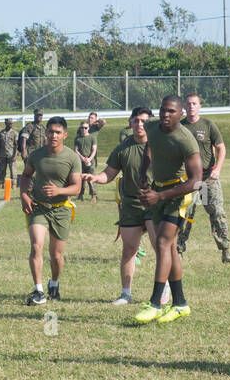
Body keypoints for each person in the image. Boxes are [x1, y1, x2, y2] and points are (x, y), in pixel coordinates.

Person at [133, 96, 202, 324]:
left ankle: (154, 303)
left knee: (162, 242)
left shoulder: (186, 140)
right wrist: (144, 173)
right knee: (170, 248)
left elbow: (195, 181)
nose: (165, 115)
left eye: (171, 111)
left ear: (180, 114)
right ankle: (180, 303)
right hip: (158, 191)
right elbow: (148, 150)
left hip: (179, 195)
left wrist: (160, 196)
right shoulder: (152, 128)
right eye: (163, 110)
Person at [83, 109, 163, 305]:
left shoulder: (161, 145)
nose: (139, 124)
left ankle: (165, 288)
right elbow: (109, 173)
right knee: (129, 250)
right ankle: (126, 294)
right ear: (130, 122)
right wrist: (96, 178)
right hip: (131, 204)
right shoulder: (123, 148)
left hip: (155, 203)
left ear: (150, 123)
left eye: (144, 121)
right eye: (136, 120)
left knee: (160, 246)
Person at [20, 116, 83, 304]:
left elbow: (77, 187)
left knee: (56, 255)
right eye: (50, 131)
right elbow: (25, 176)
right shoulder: (36, 155)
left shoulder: (72, 157)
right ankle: (38, 291)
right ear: (45, 132)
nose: (53, 135)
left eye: (57, 132)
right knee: (36, 246)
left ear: (65, 135)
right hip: (39, 207)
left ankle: (54, 283)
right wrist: (24, 195)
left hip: (61, 209)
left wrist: (59, 191)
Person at [177, 94, 230, 263]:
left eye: (194, 104)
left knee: (216, 212)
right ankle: (178, 249)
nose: (191, 106)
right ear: (184, 107)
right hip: (189, 180)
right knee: (186, 214)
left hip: (208, 179)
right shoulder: (179, 127)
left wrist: (218, 169)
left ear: (200, 106)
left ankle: (226, 250)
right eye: (188, 104)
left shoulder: (208, 125)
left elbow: (221, 148)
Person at [74, 119, 100, 202]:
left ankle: (94, 196)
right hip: (81, 161)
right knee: (81, 179)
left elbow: (94, 150)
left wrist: (89, 159)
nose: (83, 129)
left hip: (90, 162)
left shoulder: (92, 137)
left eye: (85, 128)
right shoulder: (78, 138)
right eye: (82, 128)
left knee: (91, 178)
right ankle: (80, 195)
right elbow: (76, 150)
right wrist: (82, 158)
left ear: (88, 128)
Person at [0, 119, 17, 186]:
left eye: (11, 124)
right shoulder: (1, 133)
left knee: (13, 170)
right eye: (9, 124)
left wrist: (15, 155)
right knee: (2, 170)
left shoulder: (14, 133)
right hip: (2, 154)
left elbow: (16, 145)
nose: (10, 125)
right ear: (6, 124)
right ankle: (1, 183)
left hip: (11, 154)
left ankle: (13, 184)